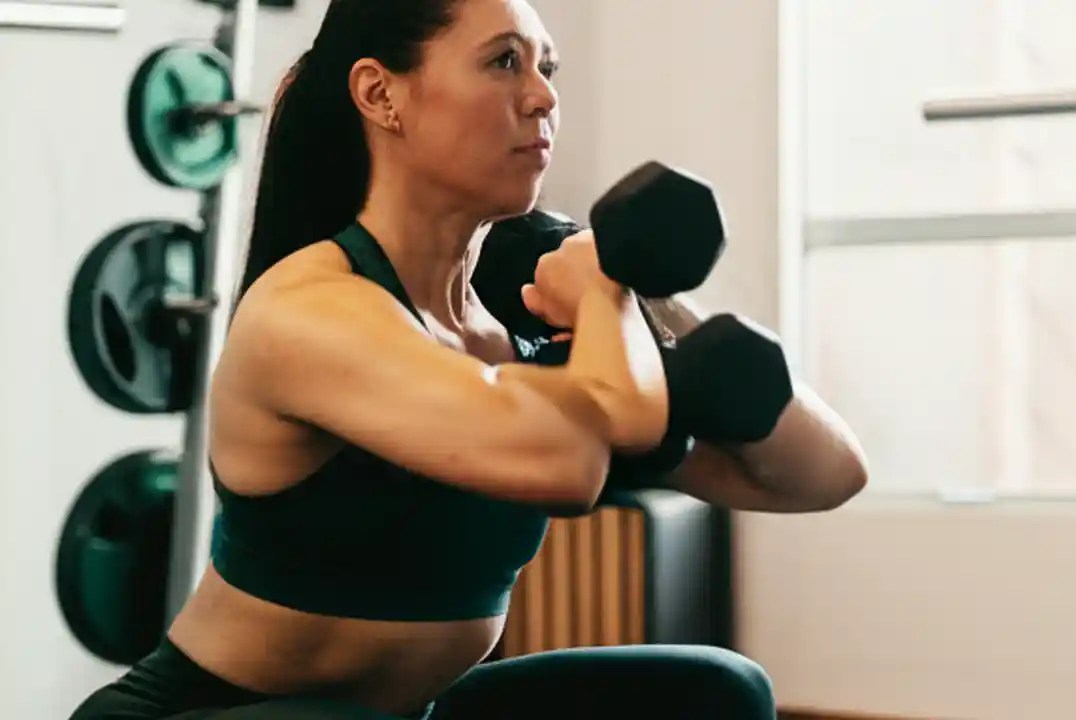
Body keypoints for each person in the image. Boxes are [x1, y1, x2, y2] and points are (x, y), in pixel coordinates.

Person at [69, 0, 869, 718]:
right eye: (504, 62)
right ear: (381, 95)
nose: (543, 97)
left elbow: (826, 475)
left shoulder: (525, 308)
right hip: (215, 712)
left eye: (547, 67)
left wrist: (650, 293)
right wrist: (604, 291)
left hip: (408, 713)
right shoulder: (310, 309)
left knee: (717, 692)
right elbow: (569, 464)